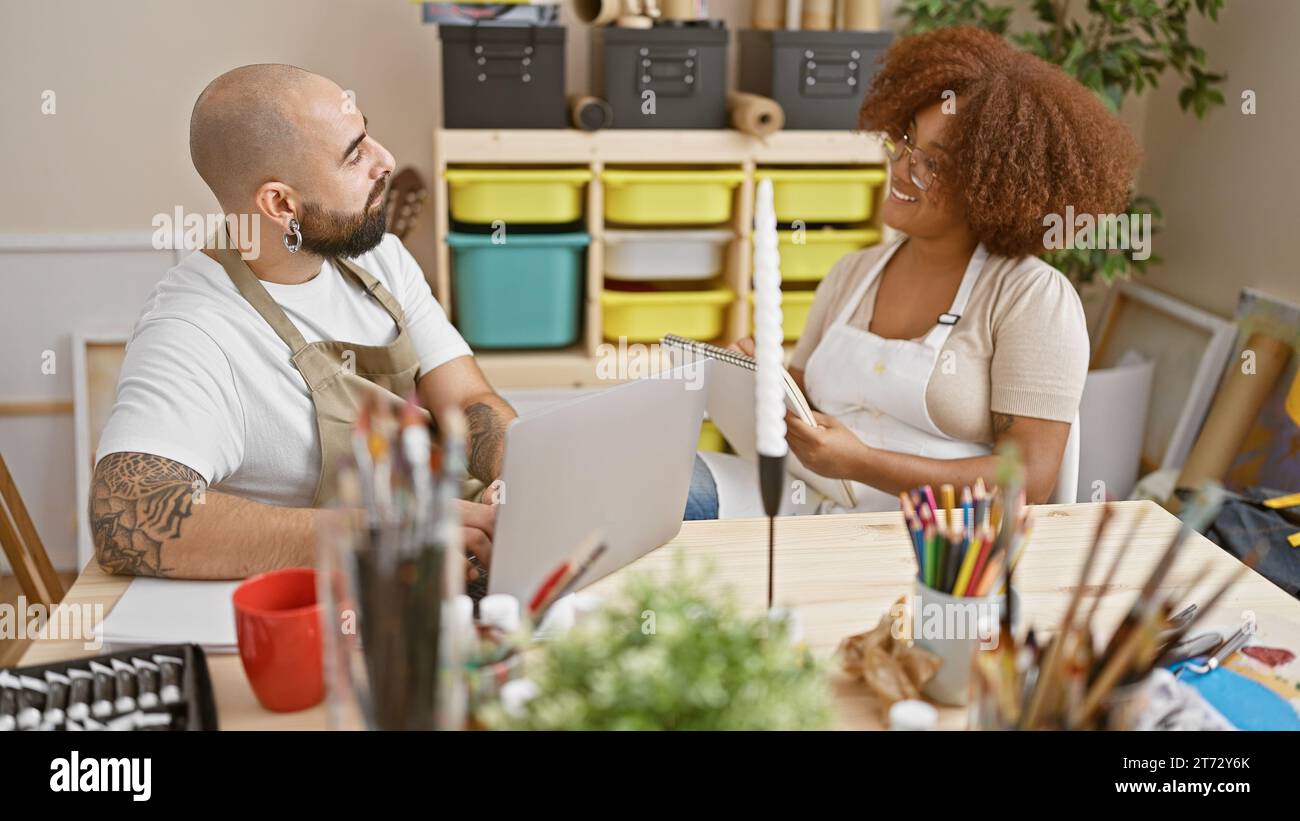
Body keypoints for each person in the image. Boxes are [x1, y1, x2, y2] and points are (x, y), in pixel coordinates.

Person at [686, 27, 1140, 519]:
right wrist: (762, 379)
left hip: (926, 539)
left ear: (995, 190)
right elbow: (803, 396)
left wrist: (866, 464)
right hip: (800, 499)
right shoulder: (854, 273)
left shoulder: (1030, 297)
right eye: (905, 142)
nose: (902, 169)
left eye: (934, 164)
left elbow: (1027, 477)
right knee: (649, 486)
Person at [91, 64, 515, 579]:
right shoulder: (193, 329)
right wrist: (390, 534)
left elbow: (469, 403)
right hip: (355, 595)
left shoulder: (380, 258)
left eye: (367, 134)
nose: (385, 160)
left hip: (471, 557)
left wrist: (518, 474)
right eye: (354, 154)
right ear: (280, 204)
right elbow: (127, 516)